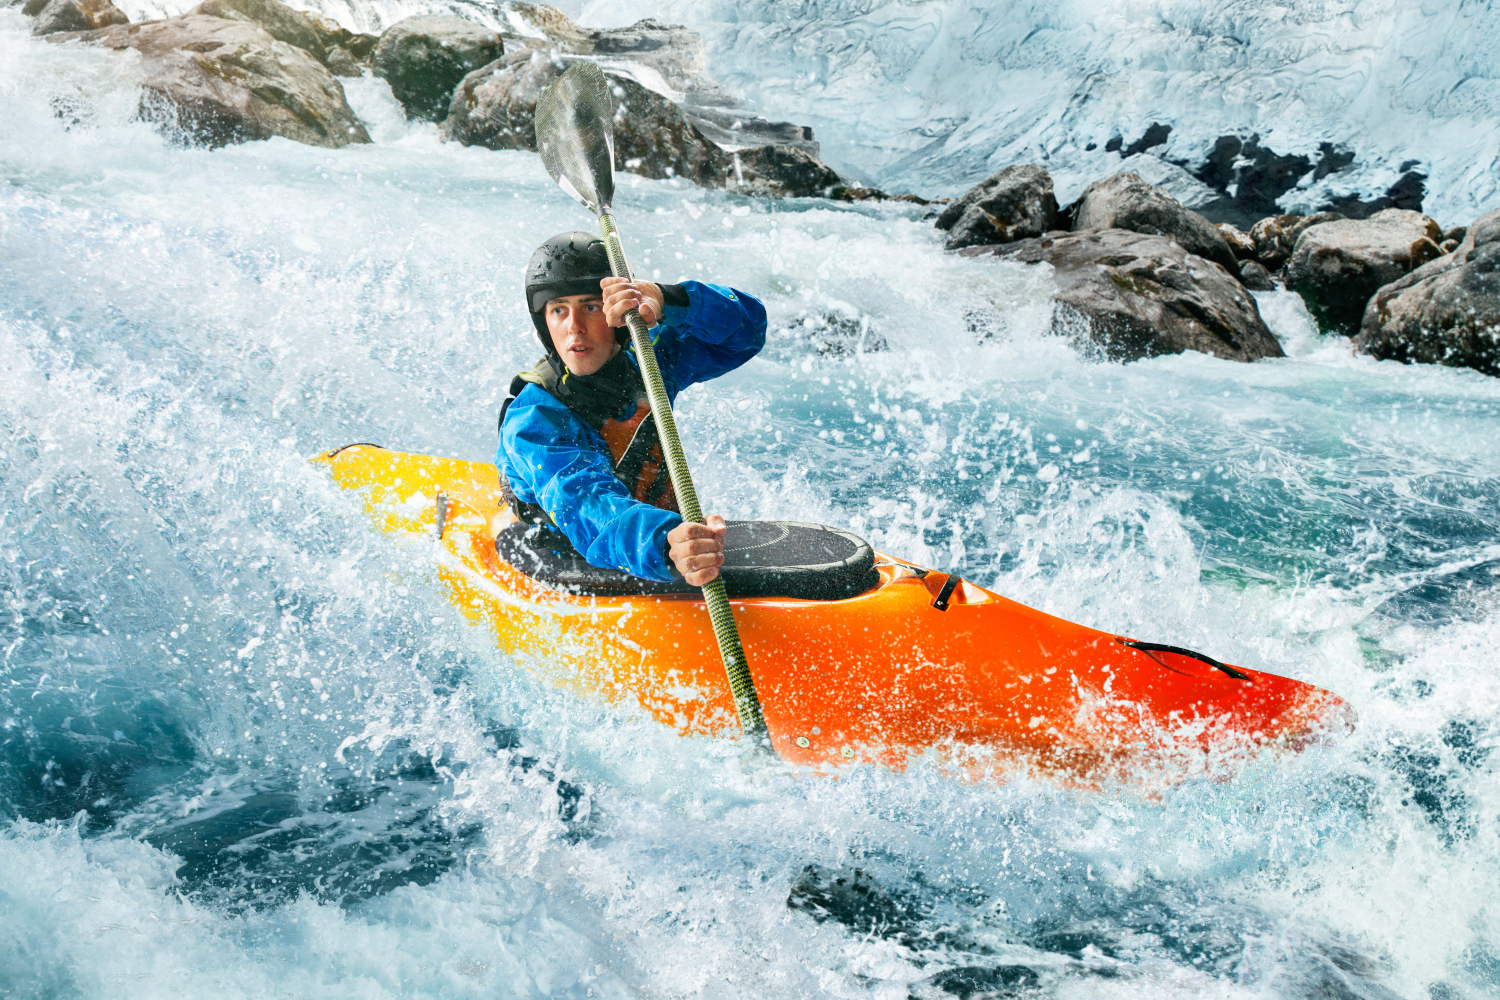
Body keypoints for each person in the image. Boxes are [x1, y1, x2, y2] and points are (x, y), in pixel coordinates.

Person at [496, 232, 767, 587]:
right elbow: (589, 508)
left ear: (616, 316)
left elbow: (746, 332)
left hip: (658, 540)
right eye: (559, 310)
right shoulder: (534, 419)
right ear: (544, 324)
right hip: (571, 554)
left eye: (591, 307)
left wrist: (668, 299)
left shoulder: (649, 363)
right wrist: (667, 542)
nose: (574, 327)